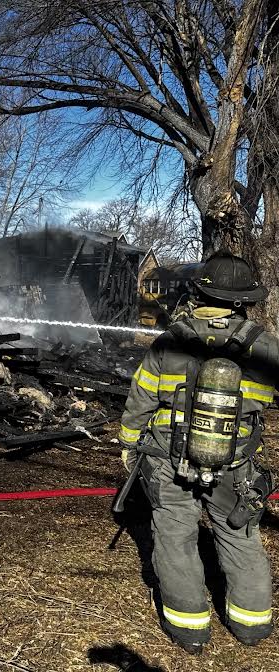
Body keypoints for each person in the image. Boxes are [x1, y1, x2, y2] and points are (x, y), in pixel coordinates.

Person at [118, 251, 278, 654]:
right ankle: (252, 625)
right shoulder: (265, 347)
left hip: (167, 459)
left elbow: (140, 400)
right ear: (244, 300)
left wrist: (128, 443)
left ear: (199, 291)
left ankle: (189, 629)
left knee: (174, 536)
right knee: (240, 535)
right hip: (235, 463)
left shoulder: (171, 340)